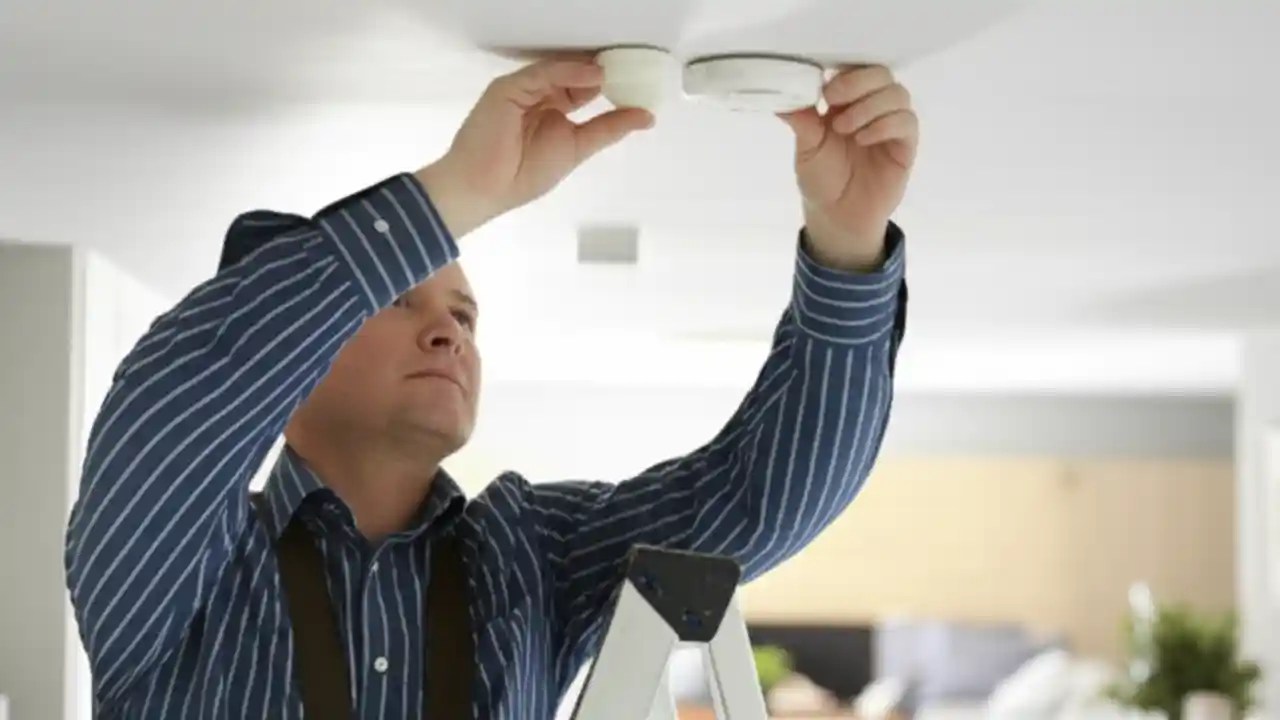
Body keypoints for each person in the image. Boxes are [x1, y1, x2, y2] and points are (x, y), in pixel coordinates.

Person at [64, 56, 915, 719]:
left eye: (466, 316)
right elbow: (180, 400)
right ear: (297, 350)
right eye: (399, 300)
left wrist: (847, 250)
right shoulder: (184, 568)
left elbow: (758, 497)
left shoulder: (531, 557)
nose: (450, 333)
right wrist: (456, 195)